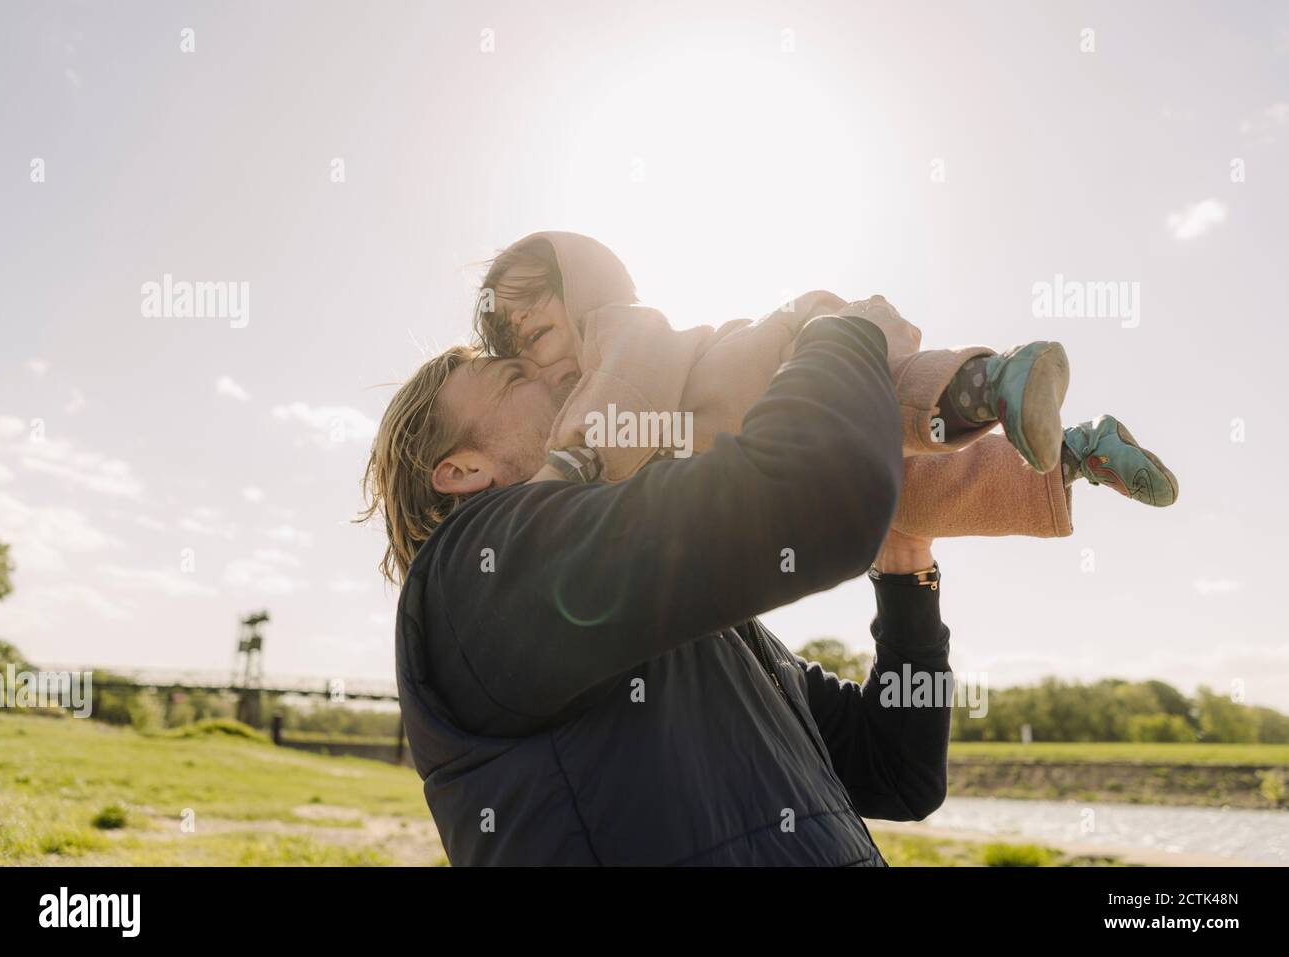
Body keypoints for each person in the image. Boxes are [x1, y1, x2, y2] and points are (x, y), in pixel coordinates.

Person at [361, 312, 952, 865]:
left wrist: (905, 573)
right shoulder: (475, 571)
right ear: (463, 470)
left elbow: (899, 770)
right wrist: (840, 329)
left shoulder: (685, 616)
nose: (566, 372)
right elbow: (811, 497)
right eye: (517, 376)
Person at [474, 232, 1178, 538]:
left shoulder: (620, 331)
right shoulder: (592, 376)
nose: (544, 371)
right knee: (910, 501)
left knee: (887, 396)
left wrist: (567, 467)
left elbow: (628, 394)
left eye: (538, 338)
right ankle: (1075, 457)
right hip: (788, 441)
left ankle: (996, 380)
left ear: (585, 295)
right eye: (524, 362)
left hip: (793, 352)